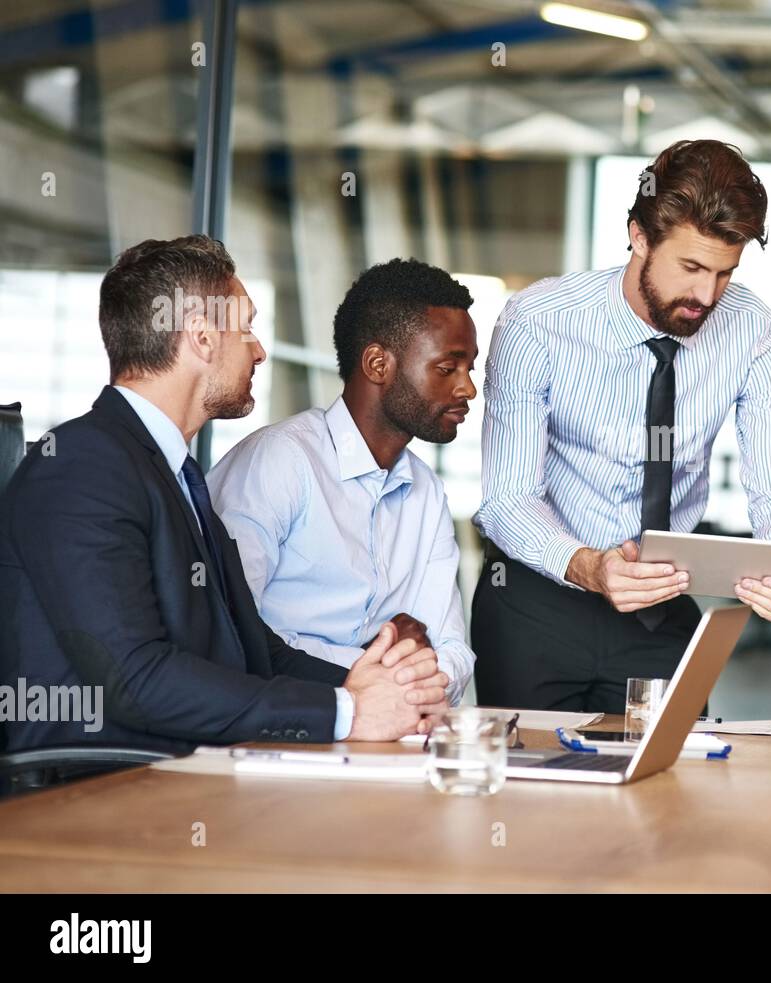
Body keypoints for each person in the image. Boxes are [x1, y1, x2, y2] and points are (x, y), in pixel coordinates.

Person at [0, 236, 448, 753]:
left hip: (182, 770)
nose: (258, 349)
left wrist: (388, 692)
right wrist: (346, 711)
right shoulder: (82, 466)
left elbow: (258, 654)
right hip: (102, 788)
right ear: (201, 337)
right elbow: (136, 679)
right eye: (246, 326)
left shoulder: (173, 474)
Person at [472, 139, 771, 713]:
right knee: (532, 793)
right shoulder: (538, 321)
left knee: (670, 789)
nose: (706, 295)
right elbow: (509, 499)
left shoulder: (756, 333)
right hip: (536, 601)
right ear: (639, 237)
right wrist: (589, 567)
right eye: (691, 267)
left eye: (724, 273)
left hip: (663, 607)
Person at [209, 259, 477, 705]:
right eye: (448, 368)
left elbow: (452, 652)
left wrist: (401, 675)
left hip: (383, 734)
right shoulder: (280, 462)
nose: (468, 388)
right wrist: (371, 666)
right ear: (377, 364)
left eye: (471, 368)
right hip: (274, 733)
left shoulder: (426, 491)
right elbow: (232, 634)